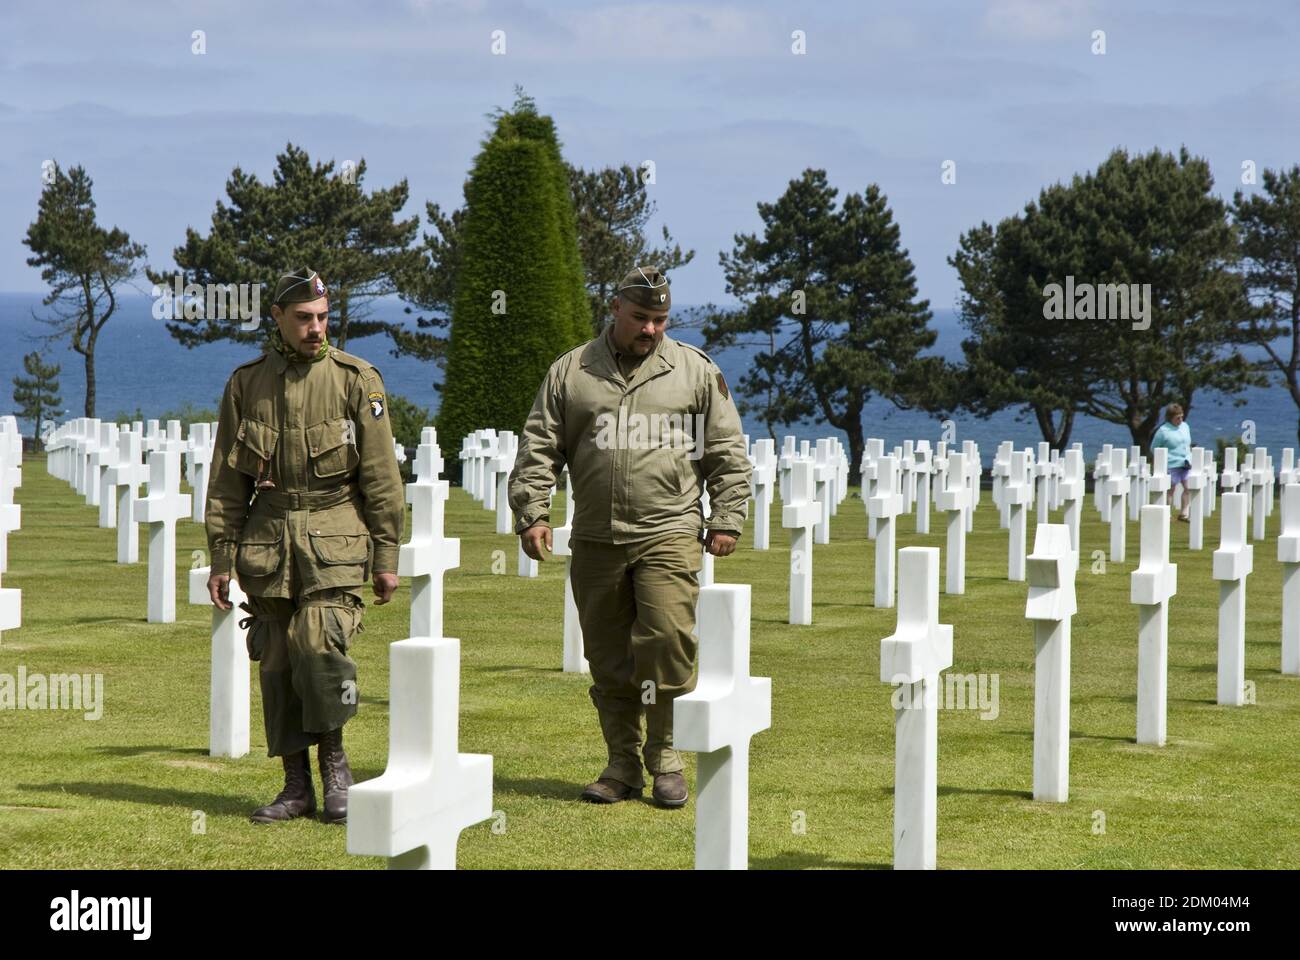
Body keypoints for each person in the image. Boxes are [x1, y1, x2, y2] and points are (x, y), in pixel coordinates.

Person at [508, 266, 752, 808]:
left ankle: (665, 758)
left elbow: (726, 452)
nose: (651, 330)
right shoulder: (571, 372)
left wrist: (727, 517)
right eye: (641, 318)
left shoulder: (694, 371)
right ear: (615, 308)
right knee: (609, 655)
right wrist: (533, 512)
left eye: (660, 320)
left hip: (668, 531)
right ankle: (621, 764)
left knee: (667, 642)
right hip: (596, 536)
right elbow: (539, 447)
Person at [204, 268, 404, 825]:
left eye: (322, 318)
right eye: (303, 319)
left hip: (334, 539)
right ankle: (295, 785)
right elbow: (226, 482)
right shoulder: (247, 384)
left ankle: (336, 768)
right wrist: (222, 556)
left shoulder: (356, 380)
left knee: (319, 650)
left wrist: (386, 557)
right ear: (278, 318)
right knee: (277, 663)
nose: (316, 329)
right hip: (268, 546)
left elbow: (383, 479)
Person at [1151, 403, 1192, 521]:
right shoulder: (1163, 431)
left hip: (1185, 462)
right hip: (1171, 464)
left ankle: (1184, 513)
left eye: (1181, 417)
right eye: (1177, 418)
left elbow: (1187, 443)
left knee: (1189, 487)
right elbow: (1154, 448)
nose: (1180, 420)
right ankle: (1167, 513)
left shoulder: (1185, 426)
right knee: (1170, 490)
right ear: (1170, 418)